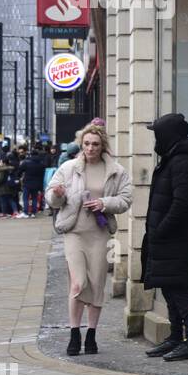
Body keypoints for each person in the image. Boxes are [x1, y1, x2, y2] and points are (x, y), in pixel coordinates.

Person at [47, 124, 132, 356]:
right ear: (81, 144)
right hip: (74, 231)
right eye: (86, 144)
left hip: (100, 232)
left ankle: (91, 335)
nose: (90, 148)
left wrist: (104, 203)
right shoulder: (69, 167)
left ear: (102, 145)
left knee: (96, 285)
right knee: (77, 283)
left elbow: (126, 200)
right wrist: (57, 195)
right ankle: (74, 333)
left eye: (95, 144)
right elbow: (51, 198)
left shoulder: (116, 170)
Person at [140, 113, 188, 362]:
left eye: (157, 133)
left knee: (180, 290)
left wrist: (162, 229)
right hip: (167, 238)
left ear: (167, 135)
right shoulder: (172, 158)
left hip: (177, 238)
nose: (155, 139)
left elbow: (182, 202)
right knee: (169, 288)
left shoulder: (183, 161)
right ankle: (175, 336)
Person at [19, 149, 47, 217]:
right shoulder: (41, 164)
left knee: (25, 197)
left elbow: (20, 170)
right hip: (37, 183)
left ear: (31, 154)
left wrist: (19, 176)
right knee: (34, 198)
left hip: (27, 182)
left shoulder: (26, 162)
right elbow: (42, 175)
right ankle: (34, 213)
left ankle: (26, 212)